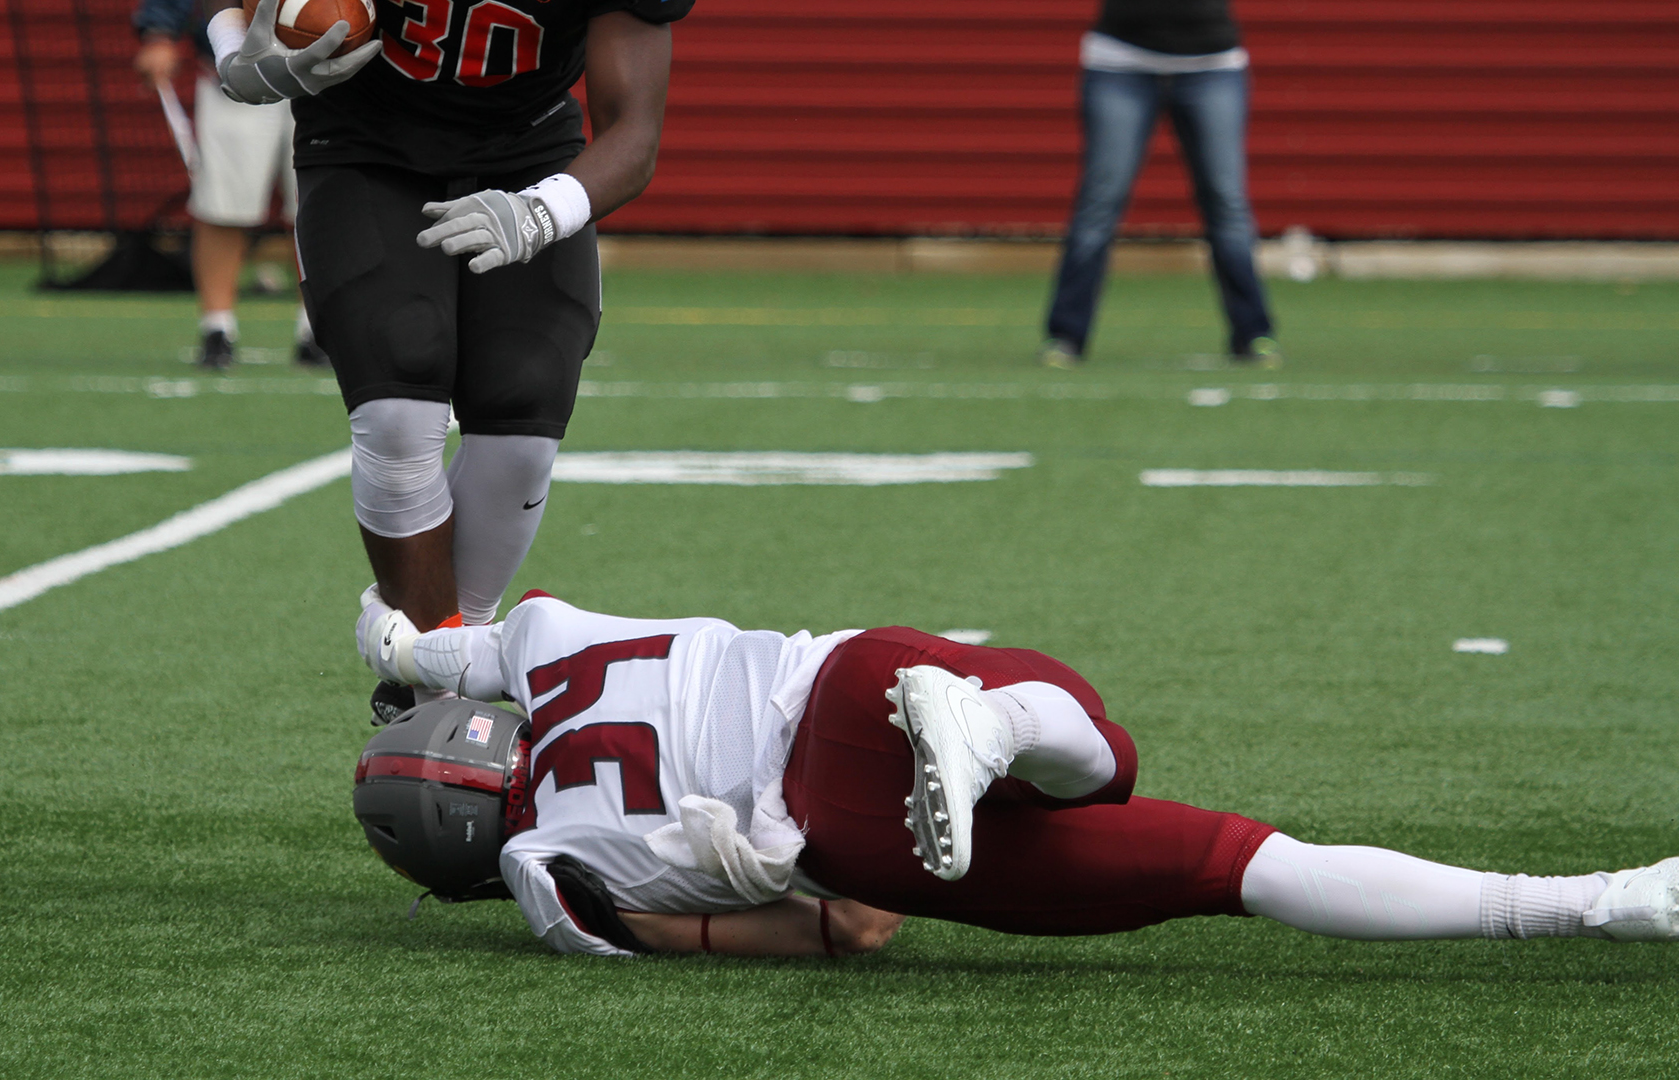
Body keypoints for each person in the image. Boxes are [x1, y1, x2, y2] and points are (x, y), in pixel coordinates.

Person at [349, 591, 1679, 956]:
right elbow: (467, 650)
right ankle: (994, 727)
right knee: (1098, 747)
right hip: (855, 676)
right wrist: (405, 644)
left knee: (1224, 869)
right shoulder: (543, 645)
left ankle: (1603, 902)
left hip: (841, 826)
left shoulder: (539, 872)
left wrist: (814, 920)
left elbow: (804, 932)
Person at [210, 0, 690, 689]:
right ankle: (443, 693)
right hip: (363, 144)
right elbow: (236, 7)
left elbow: (634, 134)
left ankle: (433, 664)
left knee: (524, 409)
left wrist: (538, 211)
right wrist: (236, 55)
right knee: (400, 381)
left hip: (528, 149)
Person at [1041, 0, 1280, 370]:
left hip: (1211, 64)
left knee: (1226, 202)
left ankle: (1253, 334)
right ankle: (1066, 336)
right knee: (1099, 203)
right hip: (1119, 62)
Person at [131, 0, 326, 370]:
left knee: (321, 205)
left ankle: (318, 329)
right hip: (240, 61)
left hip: (331, 69)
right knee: (222, 207)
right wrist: (159, 32)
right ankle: (217, 328)